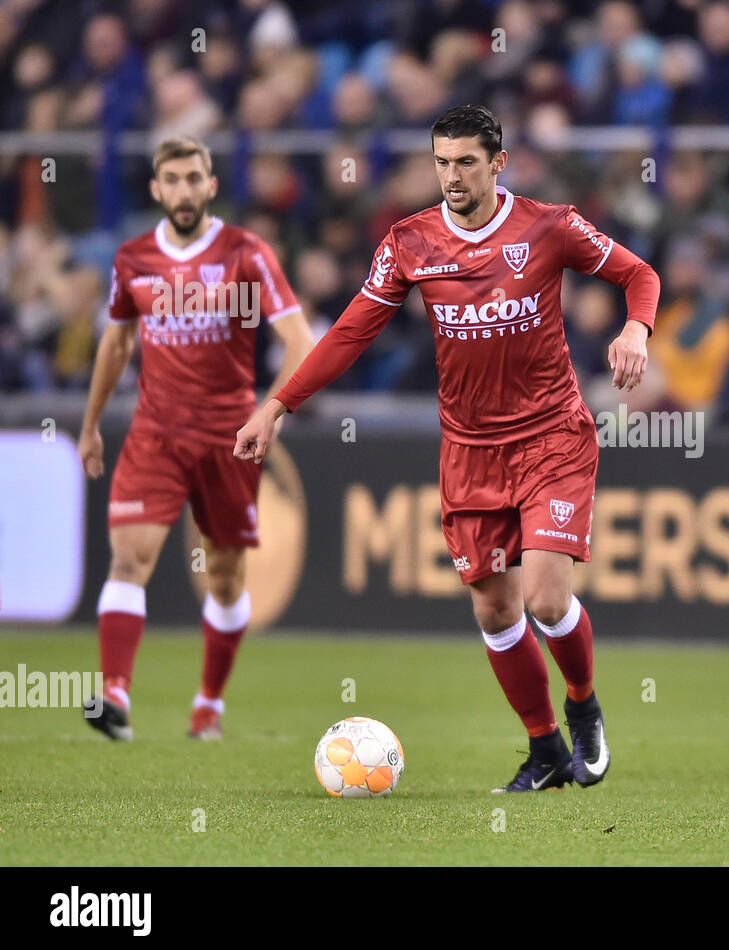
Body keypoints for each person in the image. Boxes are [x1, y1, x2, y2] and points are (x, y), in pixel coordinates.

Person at [235, 105, 660, 793]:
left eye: (466, 162)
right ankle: (544, 747)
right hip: (470, 451)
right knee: (495, 610)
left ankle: (582, 704)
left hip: (552, 434)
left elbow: (641, 275)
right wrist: (278, 404)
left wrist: (637, 331)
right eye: (441, 162)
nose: (451, 175)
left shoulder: (548, 226)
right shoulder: (410, 242)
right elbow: (347, 334)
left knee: (548, 600)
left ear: (498, 163)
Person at [80, 136, 315, 741]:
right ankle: (115, 697)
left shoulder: (245, 252)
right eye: (172, 180)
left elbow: (298, 339)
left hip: (229, 439)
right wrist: (88, 426)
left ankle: (208, 702)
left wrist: (272, 410)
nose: (184, 190)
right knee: (129, 559)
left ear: (211, 186)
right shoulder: (133, 259)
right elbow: (117, 343)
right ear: (156, 190)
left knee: (227, 577)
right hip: (155, 434)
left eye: (194, 178)